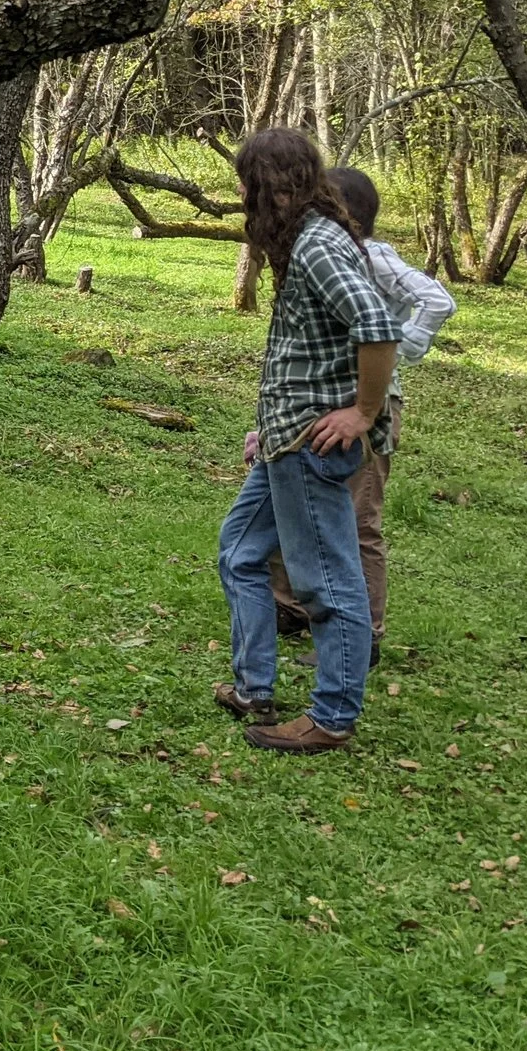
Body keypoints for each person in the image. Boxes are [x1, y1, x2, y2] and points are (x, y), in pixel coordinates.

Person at [213, 127, 401, 754]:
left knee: (326, 581)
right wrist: (268, 422)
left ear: (275, 185)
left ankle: (333, 716)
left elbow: (376, 324)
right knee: (240, 554)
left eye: (249, 183)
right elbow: (308, 351)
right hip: (284, 439)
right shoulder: (302, 242)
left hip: (313, 448)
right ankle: (253, 686)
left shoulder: (319, 244)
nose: (242, 194)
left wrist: (363, 412)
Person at [268, 165, 455, 641]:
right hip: (321, 403)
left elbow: (435, 300)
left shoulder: (371, 256)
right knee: (296, 504)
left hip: (367, 408)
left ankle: (364, 631)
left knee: (356, 521)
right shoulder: (318, 251)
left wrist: (404, 347)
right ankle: (291, 607)